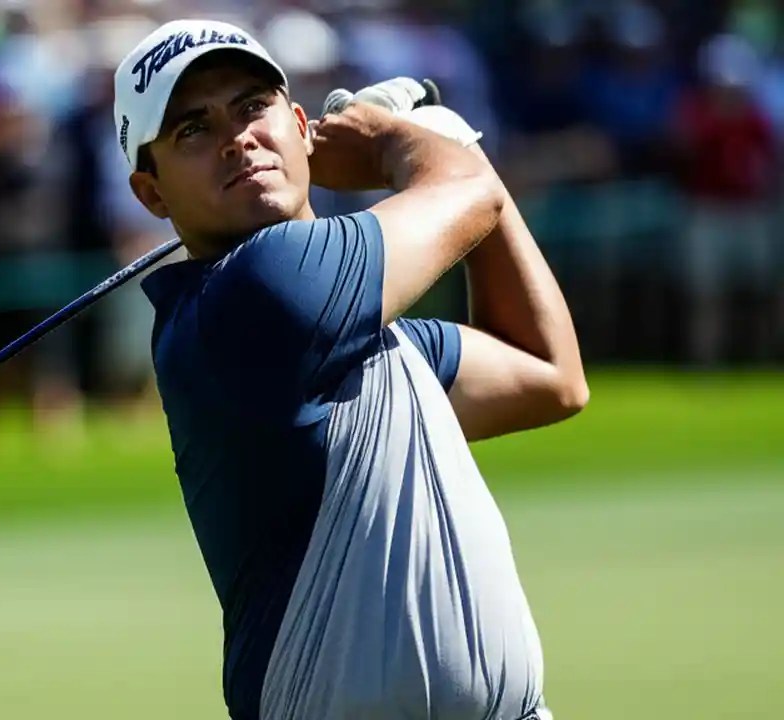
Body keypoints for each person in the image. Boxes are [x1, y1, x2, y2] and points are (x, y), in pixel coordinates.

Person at [114, 19, 588, 720]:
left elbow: (552, 377)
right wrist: (407, 142)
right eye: (192, 129)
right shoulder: (257, 295)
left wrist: (454, 158)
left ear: (301, 126)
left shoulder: (376, 341)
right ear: (152, 194)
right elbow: (468, 197)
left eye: (252, 106)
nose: (236, 137)